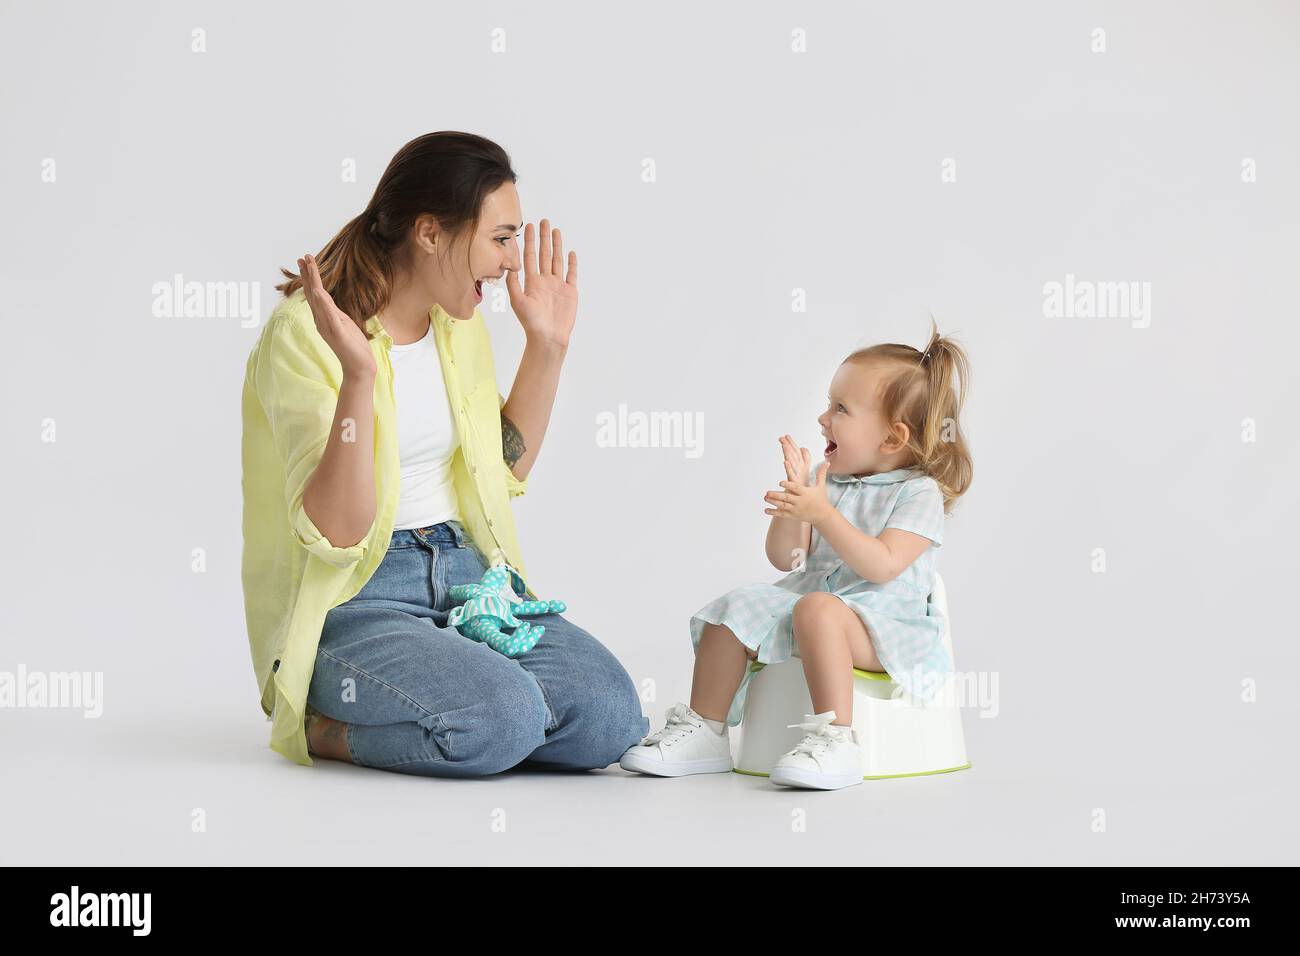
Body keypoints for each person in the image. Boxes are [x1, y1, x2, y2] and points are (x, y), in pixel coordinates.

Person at [240, 131, 648, 774]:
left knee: (608, 719)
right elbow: (337, 534)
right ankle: (327, 730)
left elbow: (502, 469)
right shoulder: (305, 335)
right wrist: (359, 379)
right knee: (501, 719)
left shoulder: (458, 323)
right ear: (430, 233)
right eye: (500, 237)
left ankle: (471, 699)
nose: (511, 261)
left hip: (470, 578)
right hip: (357, 599)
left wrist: (547, 346)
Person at [620, 320, 973, 789]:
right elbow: (785, 560)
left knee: (818, 611)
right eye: (829, 404)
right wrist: (797, 500)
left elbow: (881, 564)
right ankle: (707, 729)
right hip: (813, 606)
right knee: (735, 608)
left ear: (892, 439)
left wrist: (823, 513)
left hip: (885, 626)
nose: (823, 418)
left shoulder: (918, 493)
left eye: (841, 409)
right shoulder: (825, 481)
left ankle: (837, 739)